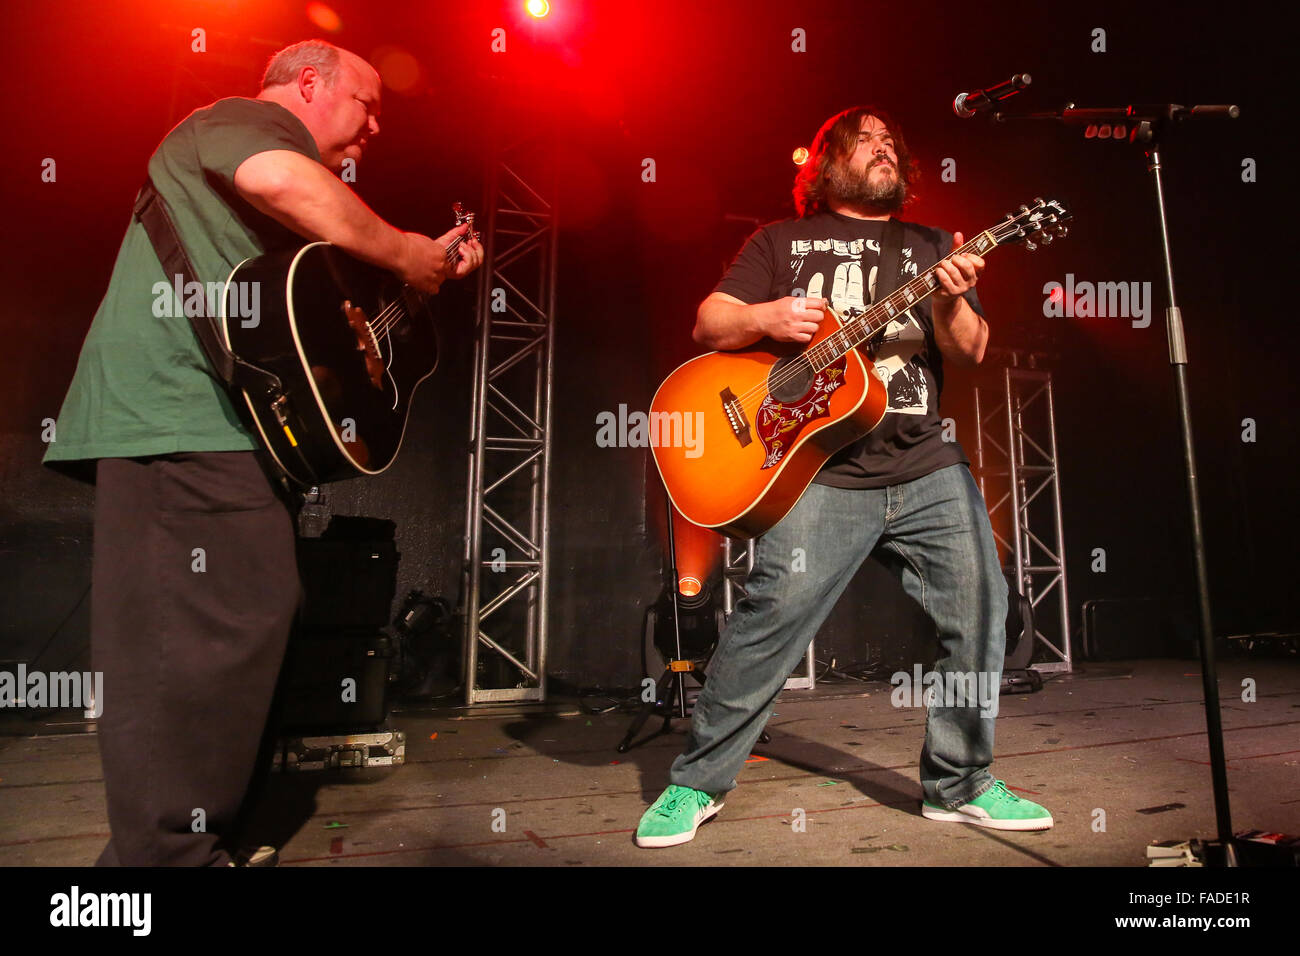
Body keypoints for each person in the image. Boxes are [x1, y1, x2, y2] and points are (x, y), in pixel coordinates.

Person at [43, 39, 482, 866]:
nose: (376, 125)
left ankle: (202, 843)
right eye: (368, 102)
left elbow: (321, 317)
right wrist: (404, 252)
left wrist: (423, 274)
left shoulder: (276, 212)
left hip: (228, 432)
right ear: (309, 84)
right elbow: (284, 181)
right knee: (195, 645)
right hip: (180, 421)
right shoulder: (238, 123)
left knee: (247, 620)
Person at [635, 106, 1052, 848]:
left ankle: (958, 783)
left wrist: (951, 295)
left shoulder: (930, 246)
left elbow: (973, 350)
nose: (886, 147)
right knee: (767, 627)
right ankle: (695, 783)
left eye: (894, 140)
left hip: (924, 461)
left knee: (984, 610)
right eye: (868, 140)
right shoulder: (778, 241)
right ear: (828, 161)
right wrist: (767, 316)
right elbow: (710, 324)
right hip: (818, 473)